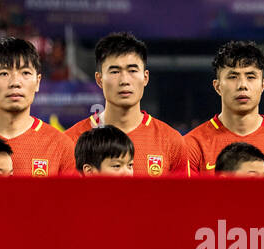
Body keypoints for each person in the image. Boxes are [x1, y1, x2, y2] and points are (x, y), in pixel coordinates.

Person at [63, 32, 186, 177]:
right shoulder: (69, 142)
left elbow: (183, 199)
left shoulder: (171, 141)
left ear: (145, 78)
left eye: (132, 70)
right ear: (99, 79)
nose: (124, 80)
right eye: (115, 71)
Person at [0, 36, 75, 177]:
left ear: (38, 82)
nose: (15, 82)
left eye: (25, 73)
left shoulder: (62, 147)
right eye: (4, 73)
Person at [184, 41, 264, 177]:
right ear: (217, 87)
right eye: (233, 77)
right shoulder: (192, 145)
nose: (242, 85)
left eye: (250, 77)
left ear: (263, 85)